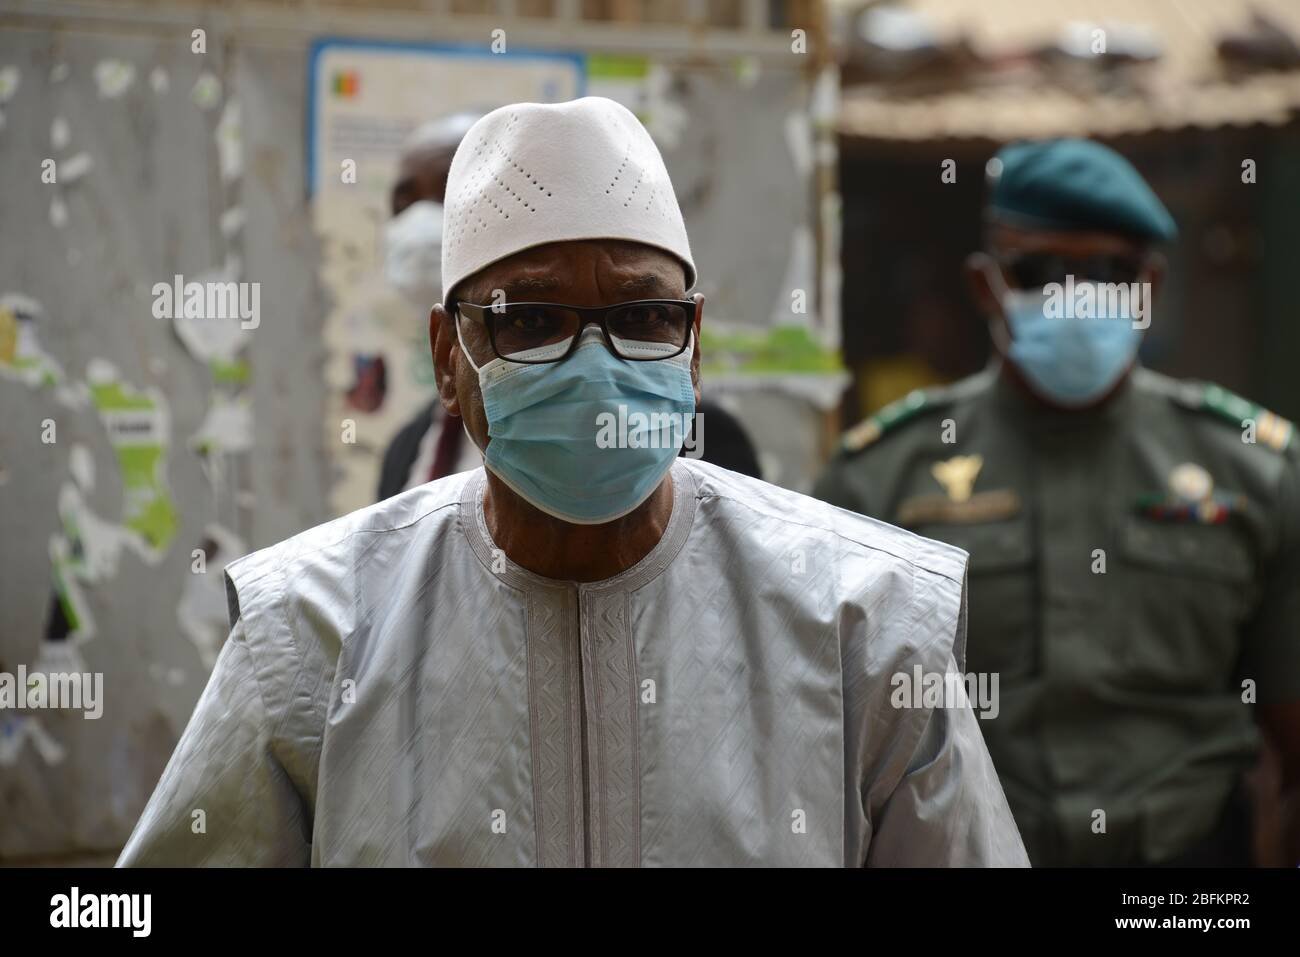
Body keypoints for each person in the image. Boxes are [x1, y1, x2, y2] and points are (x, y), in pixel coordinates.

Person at [118, 97, 1025, 867]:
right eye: (530, 318)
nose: (595, 364)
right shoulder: (309, 636)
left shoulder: (865, 624)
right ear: (448, 355)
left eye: (641, 315)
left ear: (694, 344)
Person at [814, 138, 1300, 867]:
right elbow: (826, 739)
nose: (1078, 297)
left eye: (1110, 273)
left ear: (1152, 287)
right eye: (1041, 272)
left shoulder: (1254, 470)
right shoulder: (880, 479)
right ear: (986, 286)